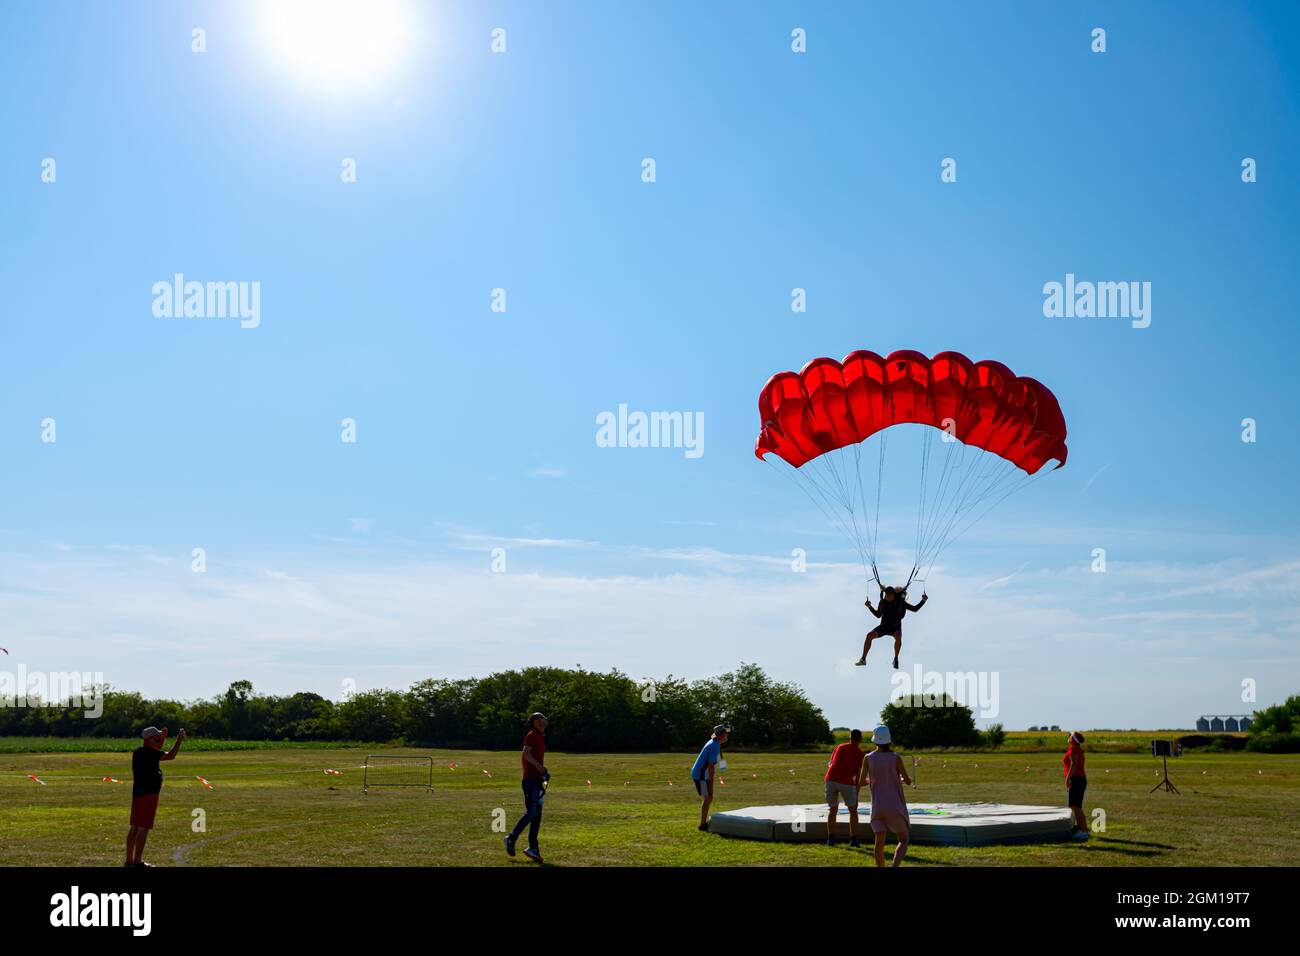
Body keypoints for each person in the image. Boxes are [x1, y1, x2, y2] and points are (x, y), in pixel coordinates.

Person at [126, 725, 185, 868]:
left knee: (134, 827)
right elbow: (171, 755)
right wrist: (179, 740)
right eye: (156, 737)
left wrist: (162, 736)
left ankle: (129, 860)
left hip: (137, 794)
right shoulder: (151, 753)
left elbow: (157, 748)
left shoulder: (139, 752)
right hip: (149, 794)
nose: (159, 739)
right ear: (149, 739)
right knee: (143, 828)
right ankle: (138, 862)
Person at [863, 724, 911, 867]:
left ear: (875, 740)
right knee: (903, 839)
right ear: (889, 740)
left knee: (879, 843)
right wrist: (903, 780)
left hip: (877, 806)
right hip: (894, 805)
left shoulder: (867, 758)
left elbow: (860, 782)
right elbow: (907, 781)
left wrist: (870, 780)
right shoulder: (895, 758)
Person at [505, 713, 548, 863]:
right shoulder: (531, 735)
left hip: (537, 780)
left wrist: (542, 772)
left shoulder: (541, 736)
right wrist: (538, 767)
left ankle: (533, 848)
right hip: (530, 780)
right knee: (532, 812)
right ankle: (511, 838)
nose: (541, 720)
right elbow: (525, 753)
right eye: (538, 718)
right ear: (534, 723)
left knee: (537, 815)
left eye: (542, 717)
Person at [857, 586, 928, 669]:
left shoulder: (901, 602)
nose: (889, 598)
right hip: (884, 627)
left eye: (890, 596)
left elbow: (915, 609)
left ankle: (896, 659)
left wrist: (923, 600)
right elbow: (878, 615)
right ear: (885, 595)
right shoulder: (883, 602)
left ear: (894, 595)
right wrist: (870, 607)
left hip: (895, 627)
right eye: (887, 596)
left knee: (898, 636)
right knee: (869, 635)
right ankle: (863, 659)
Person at [824, 729, 866, 847]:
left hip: (830, 779)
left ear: (849, 737)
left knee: (832, 810)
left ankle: (831, 839)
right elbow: (858, 776)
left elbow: (831, 763)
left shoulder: (840, 747)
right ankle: (854, 839)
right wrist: (856, 795)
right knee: (853, 810)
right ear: (860, 739)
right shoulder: (860, 754)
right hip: (846, 782)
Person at [690, 724, 730, 831]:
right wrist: (711, 785)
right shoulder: (714, 745)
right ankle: (703, 825)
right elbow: (711, 767)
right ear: (721, 735)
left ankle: (703, 823)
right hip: (701, 774)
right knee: (708, 797)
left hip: (701, 773)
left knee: (708, 797)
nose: (727, 735)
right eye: (726, 733)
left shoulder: (715, 743)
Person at [1063, 731, 1089, 840]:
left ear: (1073, 740)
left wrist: (1067, 778)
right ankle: (1083, 829)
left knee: (1075, 807)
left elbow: (1074, 764)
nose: (1068, 737)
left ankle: (1083, 831)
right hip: (1080, 779)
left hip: (1076, 779)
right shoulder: (1077, 749)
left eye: (1070, 736)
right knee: (1076, 806)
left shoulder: (1073, 749)